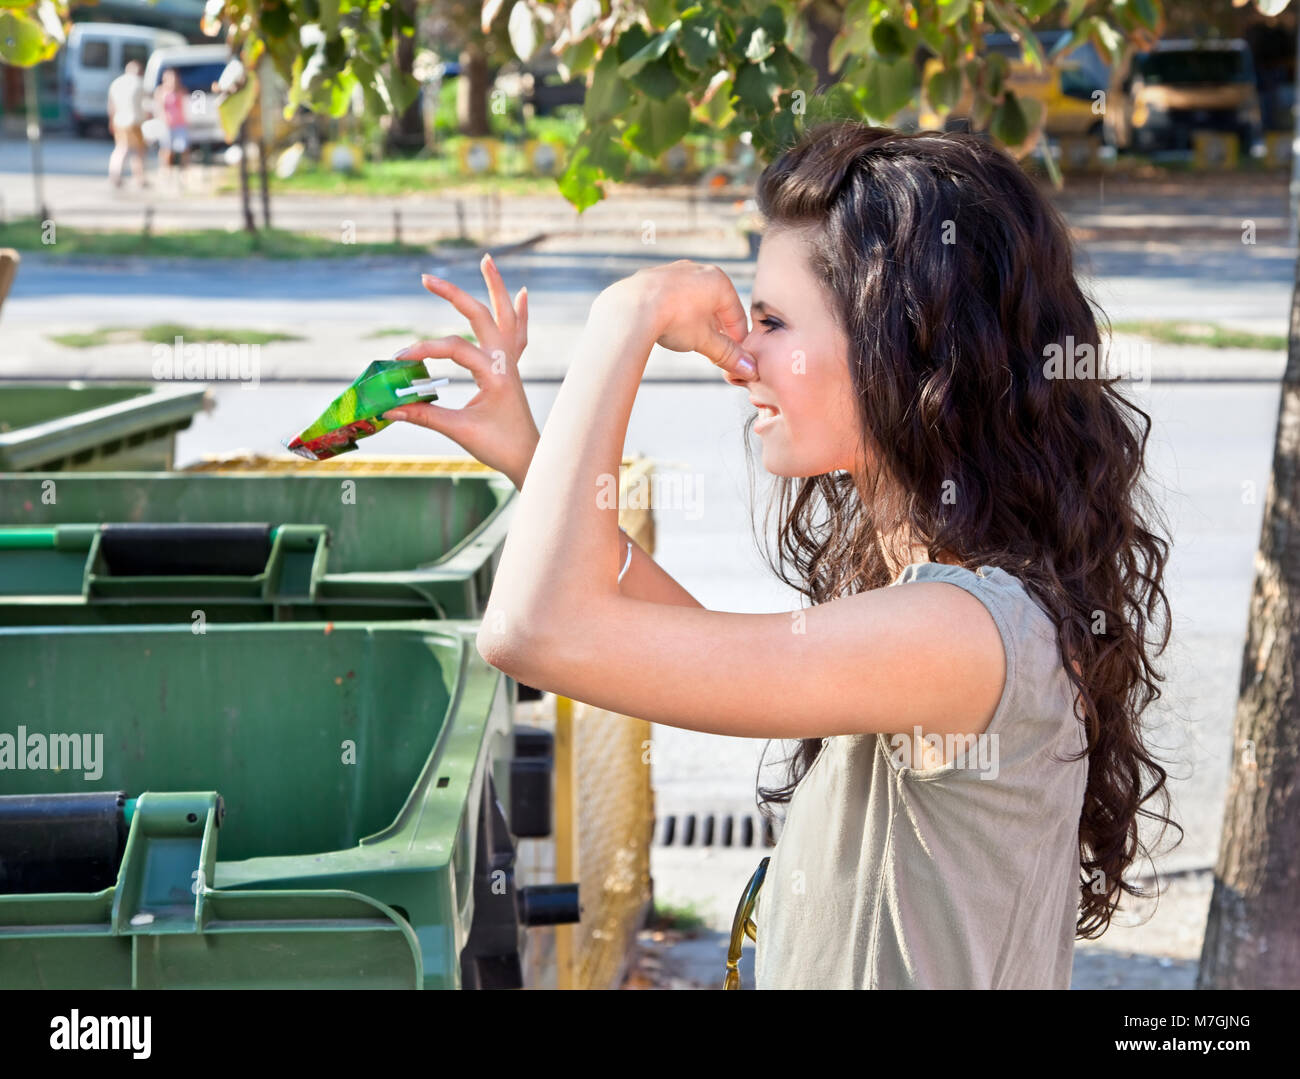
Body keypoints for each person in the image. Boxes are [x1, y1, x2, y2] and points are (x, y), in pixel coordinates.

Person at [383, 121, 1181, 990]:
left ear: (898, 343)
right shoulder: (951, 606)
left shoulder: (961, 632)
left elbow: (536, 631)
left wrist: (627, 315)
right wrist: (532, 457)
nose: (741, 357)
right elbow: (673, 641)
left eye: (771, 321)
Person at [106, 60, 147, 188]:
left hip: (119, 120)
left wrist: (111, 121)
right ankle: (139, 177)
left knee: (121, 148)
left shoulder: (116, 83)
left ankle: (115, 175)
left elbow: (111, 106)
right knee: (137, 151)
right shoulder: (139, 84)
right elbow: (146, 106)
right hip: (135, 121)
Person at [154, 68, 190, 183]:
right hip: (166, 125)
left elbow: (186, 106)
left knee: (183, 148)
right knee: (167, 150)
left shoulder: (181, 90)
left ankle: (183, 173)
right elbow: (159, 108)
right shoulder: (160, 91)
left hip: (180, 124)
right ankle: (166, 171)